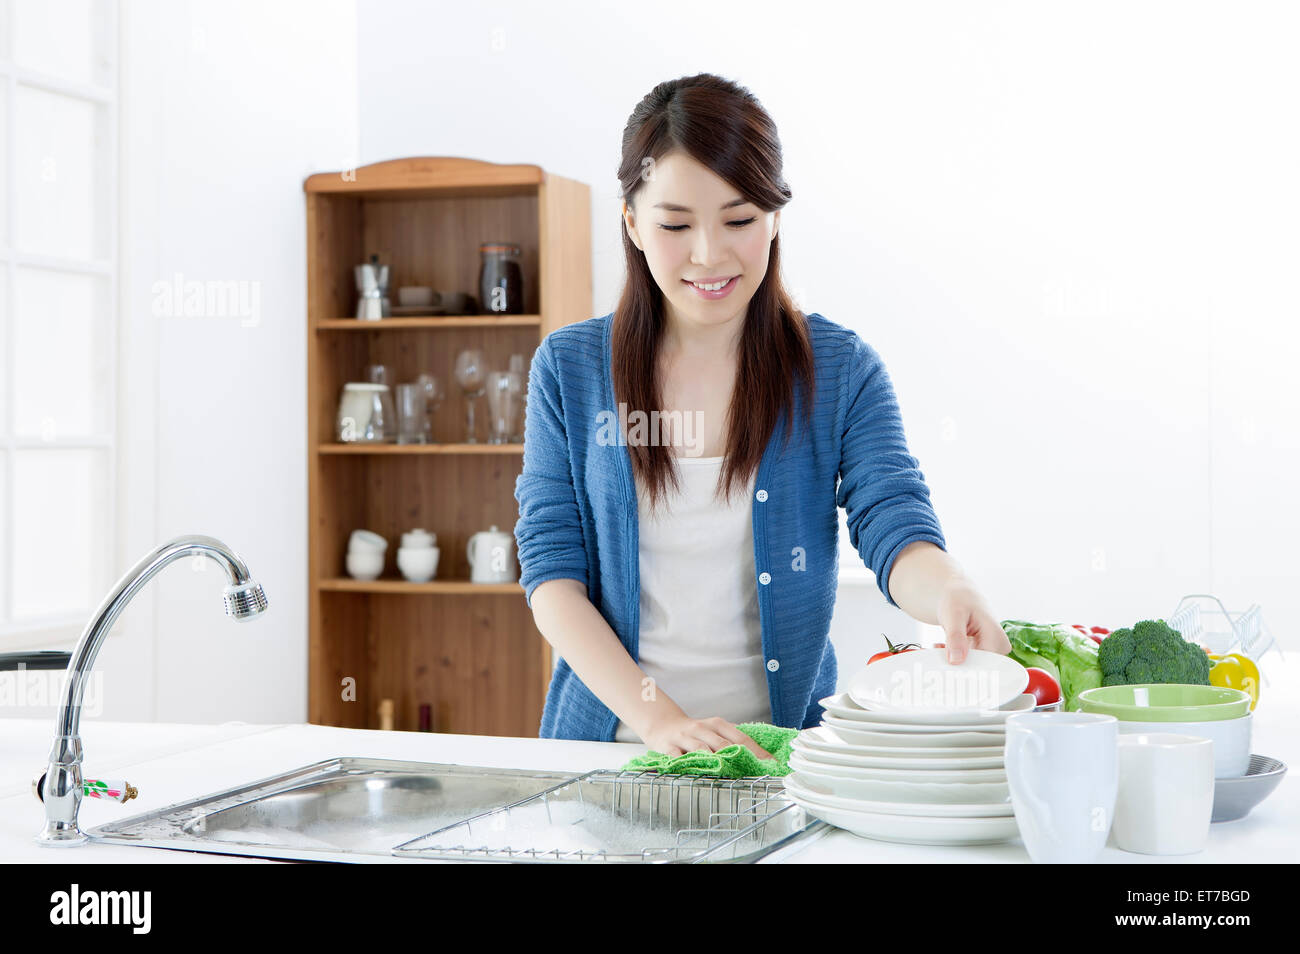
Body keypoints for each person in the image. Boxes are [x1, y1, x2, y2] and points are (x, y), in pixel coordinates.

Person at [514, 72, 1009, 758]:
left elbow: (893, 523)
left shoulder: (838, 368)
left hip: (783, 764)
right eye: (675, 224)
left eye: (740, 220)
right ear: (631, 219)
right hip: (608, 755)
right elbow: (551, 579)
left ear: (776, 216)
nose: (709, 255)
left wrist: (952, 590)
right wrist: (661, 722)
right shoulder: (569, 370)